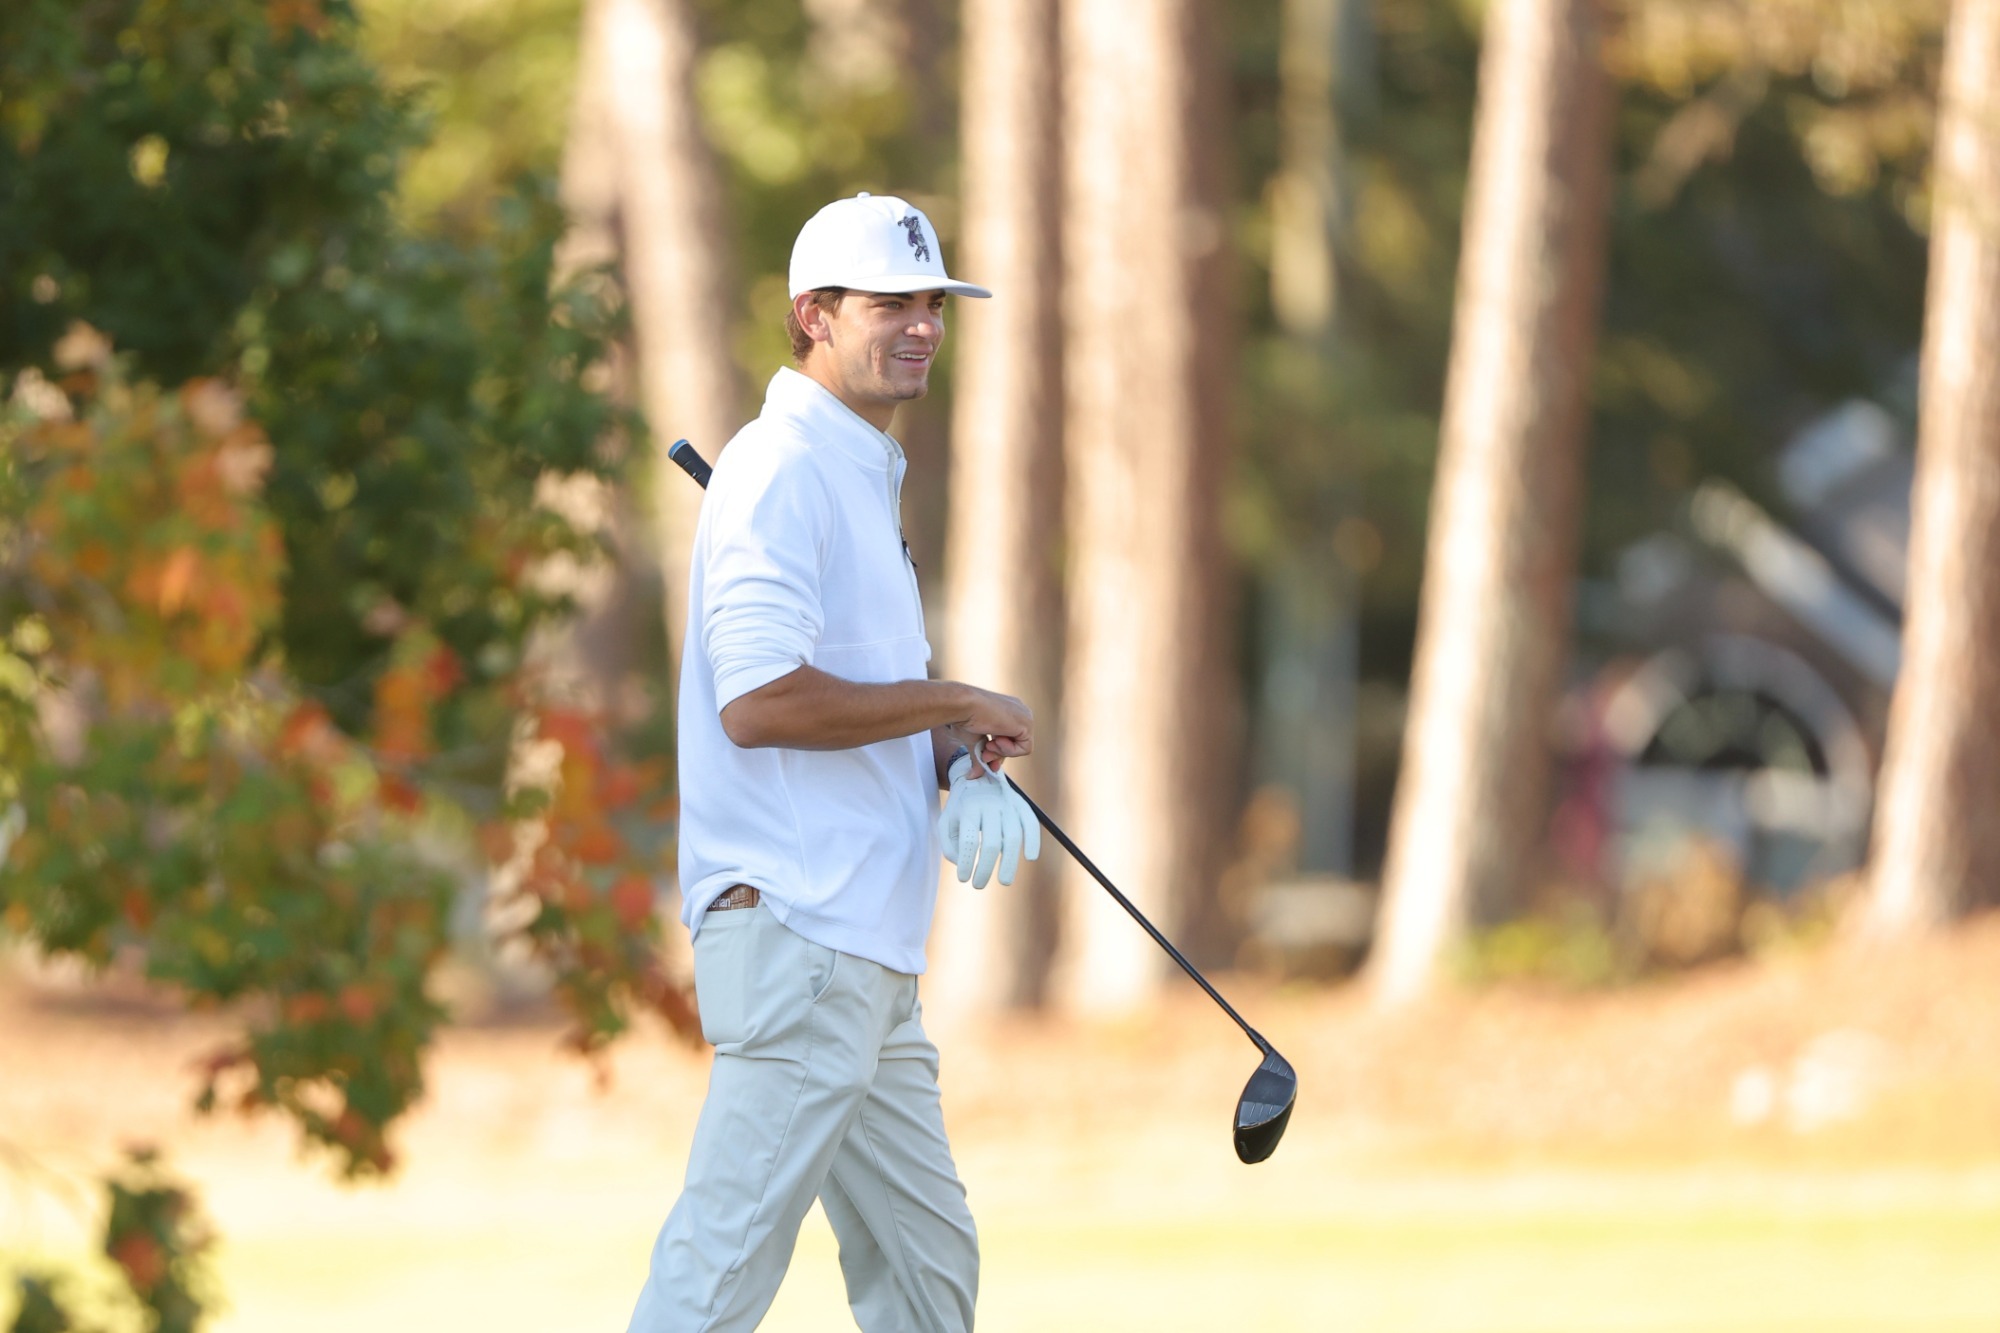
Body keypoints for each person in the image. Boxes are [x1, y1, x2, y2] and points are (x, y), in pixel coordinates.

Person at [627, 192, 1041, 1332]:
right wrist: (956, 693)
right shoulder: (778, 469)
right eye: (888, 305)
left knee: (926, 1274)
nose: (919, 326)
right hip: (801, 937)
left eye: (930, 304)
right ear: (812, 314)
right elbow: (757, 704)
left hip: (865, 951)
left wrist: (952, 750)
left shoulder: (852, 470)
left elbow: (843, 695)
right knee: (718, 1273)